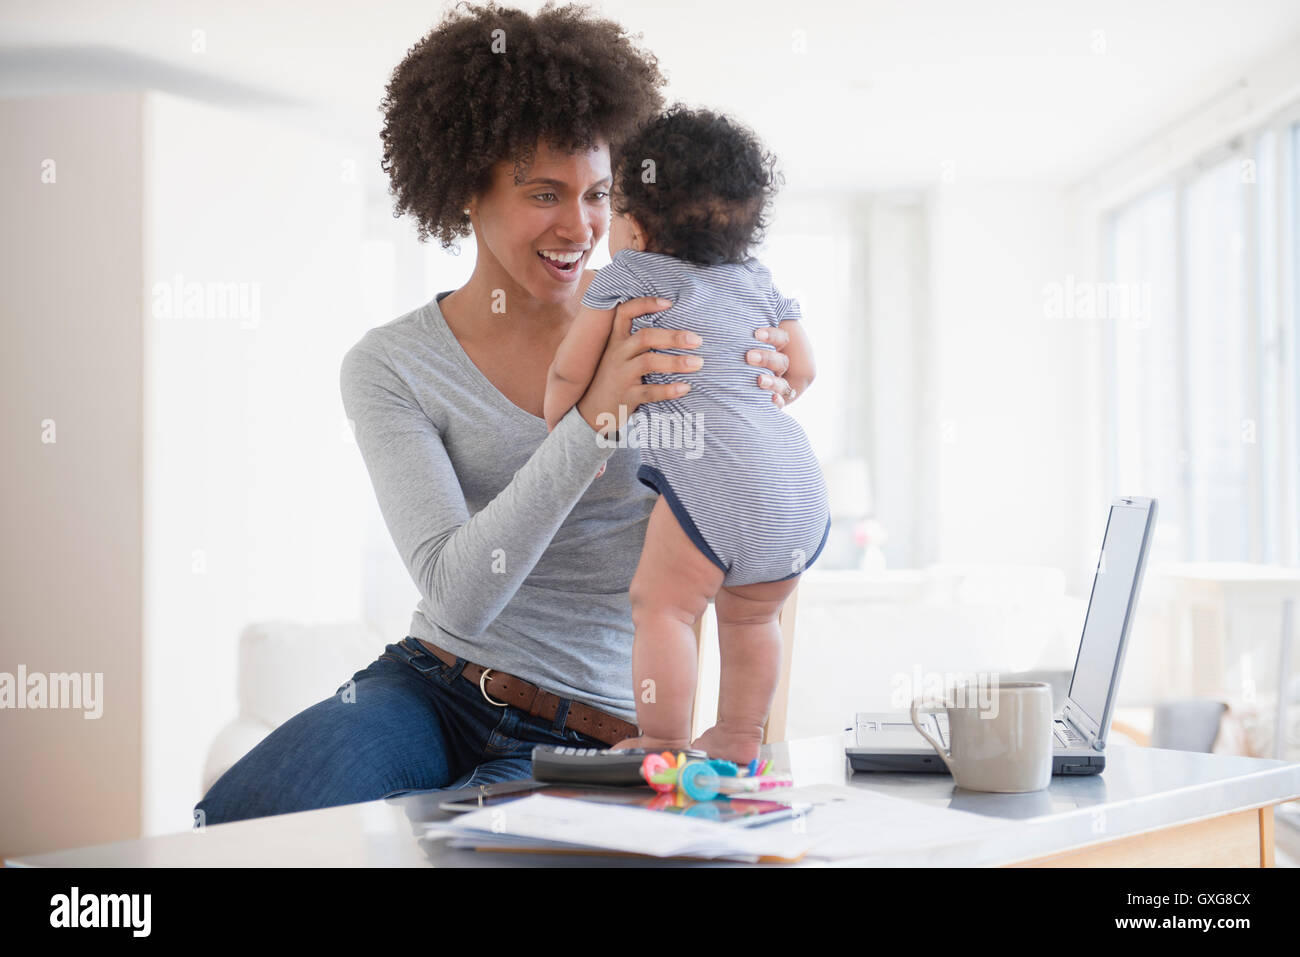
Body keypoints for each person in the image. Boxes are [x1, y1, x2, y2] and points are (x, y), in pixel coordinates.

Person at [193, 1, 801, 826]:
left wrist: (754, 734)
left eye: (598, 195)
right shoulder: (392, 365)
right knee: (249, 818)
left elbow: (759, 536)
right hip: (430, 685)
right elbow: (457, 592)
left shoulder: (672, 324)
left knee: (479, 850)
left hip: (603, 730)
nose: (578, 226)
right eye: (544, 193)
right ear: (464, 194)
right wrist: (591, 422)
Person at [543, 105, 830, 765]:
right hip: (795, 485)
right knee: (753, 617)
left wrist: (565, 427)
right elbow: (804, 368)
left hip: (712, 482)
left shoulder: (628, 277)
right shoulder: (756, 280)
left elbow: (570, 369)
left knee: (664, 608)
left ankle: (667, 739)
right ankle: (736, 736)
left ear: (636, 229)